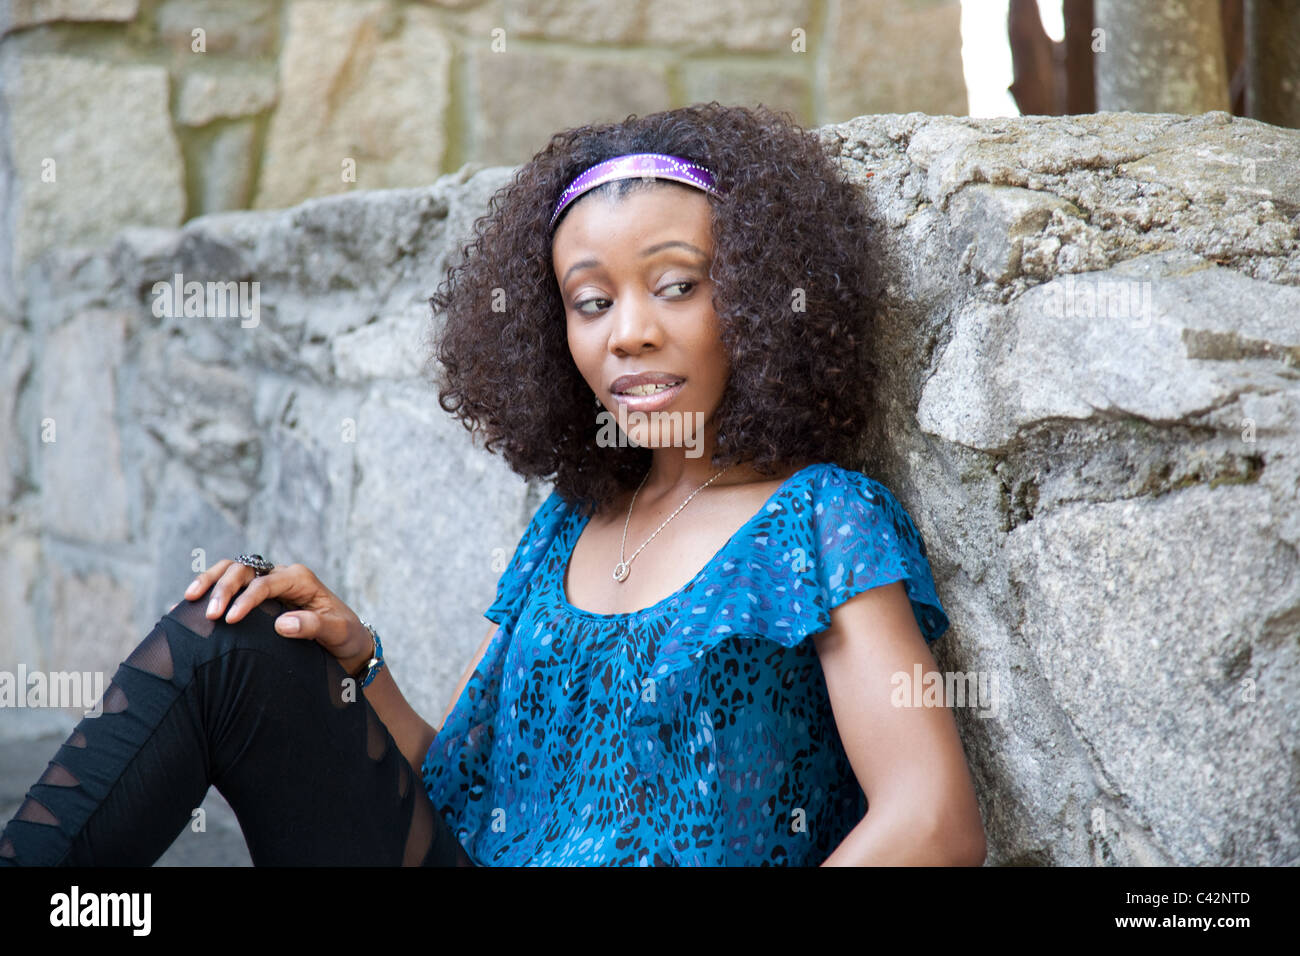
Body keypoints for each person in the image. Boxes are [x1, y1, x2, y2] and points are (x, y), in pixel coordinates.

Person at [1, 101, 985, 867]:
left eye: (675, 283)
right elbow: (463, 783)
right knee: (234, 634)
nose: (627, 330)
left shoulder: (819, 518)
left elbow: (932, 821)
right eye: (589, 300)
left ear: (764, 295)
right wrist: (361, 664)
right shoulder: (574, 521)